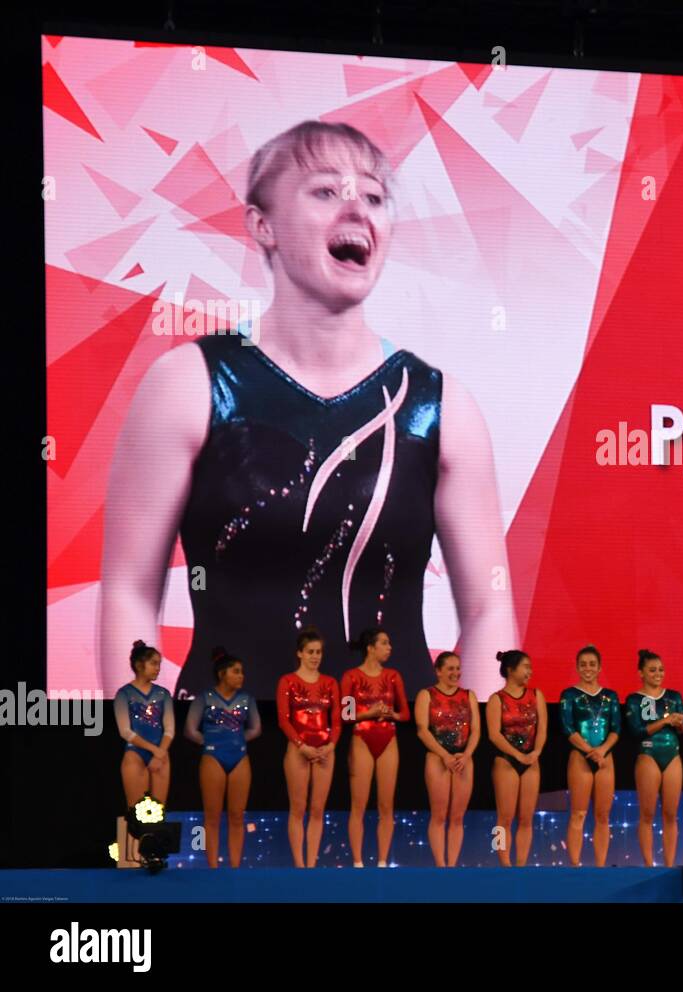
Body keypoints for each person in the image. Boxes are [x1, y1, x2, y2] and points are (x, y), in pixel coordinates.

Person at [99, 119, 517, 699]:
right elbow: (128, 590)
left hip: (401, 758)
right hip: (225, 752)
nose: (358, 211)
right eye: (326, 191)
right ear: (261, 224)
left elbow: (486, 608)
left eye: (374, 198)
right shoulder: (189, 385)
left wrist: (474, 761)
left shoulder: (439, 406)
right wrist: (141, 743)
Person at [183, 646, 262, 867]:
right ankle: (213, 868)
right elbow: (190, 729)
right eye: (236, 671)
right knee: (212, 816)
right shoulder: (205, 698)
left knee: (237, 815)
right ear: (222, 673)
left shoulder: (246, 699)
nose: (241, 676)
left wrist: (238, 740)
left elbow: (256, 728)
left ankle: (235, 867)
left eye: (242, 672)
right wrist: (209, 742)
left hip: (239, 758)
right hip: (213, 758)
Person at [340, 627, 410, 867]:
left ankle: (382, 862)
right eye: (384, 643)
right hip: (362, 738)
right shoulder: (351, 676)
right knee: (358, 804)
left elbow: (406, 714)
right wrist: (369, 712)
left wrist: (392, 713)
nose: (389, 647)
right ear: (370, 647)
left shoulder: (393, 676)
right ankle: (358, 862)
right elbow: (346, 714)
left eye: (389, 643)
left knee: (386, 804)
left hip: (388, 738)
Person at [275, 627, 340, 868]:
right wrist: (301, 746)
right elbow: (283, 719)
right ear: (300, 653)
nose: (315, 656)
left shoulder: (331, 683)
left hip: (324, 751)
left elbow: (337, 720)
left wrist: (330, 745)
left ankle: (312, 864)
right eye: (311, 652)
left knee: (317, 809)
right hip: (297, 749)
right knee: (298, 807)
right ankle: (299, 864)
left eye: (319, 652)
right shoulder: (288, 681)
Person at [414, 651, 480, 866]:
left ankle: (452, 866)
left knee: (457, 816)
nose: (455, 673)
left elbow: (476, 730)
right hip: (437, 757)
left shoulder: (468, 695)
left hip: (463, 757)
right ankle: (440, 866)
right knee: (439, 815)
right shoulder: (427, 695)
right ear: (439, 671)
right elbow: (423, 730)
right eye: (450, 668)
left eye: (457, 668)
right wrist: (444, 755)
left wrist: (466, 754)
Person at [113, 639, 175, 864]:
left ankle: (155, 855)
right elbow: (125, 731)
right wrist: (153, 750)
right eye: (154, 663)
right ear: (140, 665)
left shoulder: (163, 694)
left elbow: (169, 728)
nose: (158, 668)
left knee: (158, 810)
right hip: (135, 754)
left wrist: (161, 752)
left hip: (161, 755)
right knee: (136, 810)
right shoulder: (124, 694)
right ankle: (131, 858)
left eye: (159, 664)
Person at [560, 645, 622, 867]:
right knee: (578, 813)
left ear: (599, 668)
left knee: (603, 816)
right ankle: (575, 865)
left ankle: (601, 866)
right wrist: (589, 750)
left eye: (592, 664)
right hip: (580, 756)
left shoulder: (610, 696)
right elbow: (567, 728)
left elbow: (616, 728)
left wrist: (603, 750)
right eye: (583, 664)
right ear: (577, 667)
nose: (588, 668)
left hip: (605, 758)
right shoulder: (570, 695)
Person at [623, 649, 683, 867]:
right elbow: (637, 731)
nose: (658, 673)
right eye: (652, 670)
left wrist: (678, 723)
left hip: (672, 754)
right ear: (641, 673)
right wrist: (665, 721)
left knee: (670, 813)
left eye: (660, 669)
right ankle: (648, 864)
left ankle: (670, 865)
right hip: (648, 753)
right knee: (648, 813)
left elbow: (682, 729)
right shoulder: (634, 699)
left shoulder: (674, 696)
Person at [486, 650, 547, 866]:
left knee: (526, 818)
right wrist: (517, 755)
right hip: (506, 761)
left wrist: (535, 753)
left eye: (530, 666)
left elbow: (541, 729)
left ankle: (521, 865)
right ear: (511, 670)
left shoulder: (536, 695)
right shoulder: (496, 699)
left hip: (531, 760)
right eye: (525, 666)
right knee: (504, 817)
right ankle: (503, 863)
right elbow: (494, 734)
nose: (530, 671)